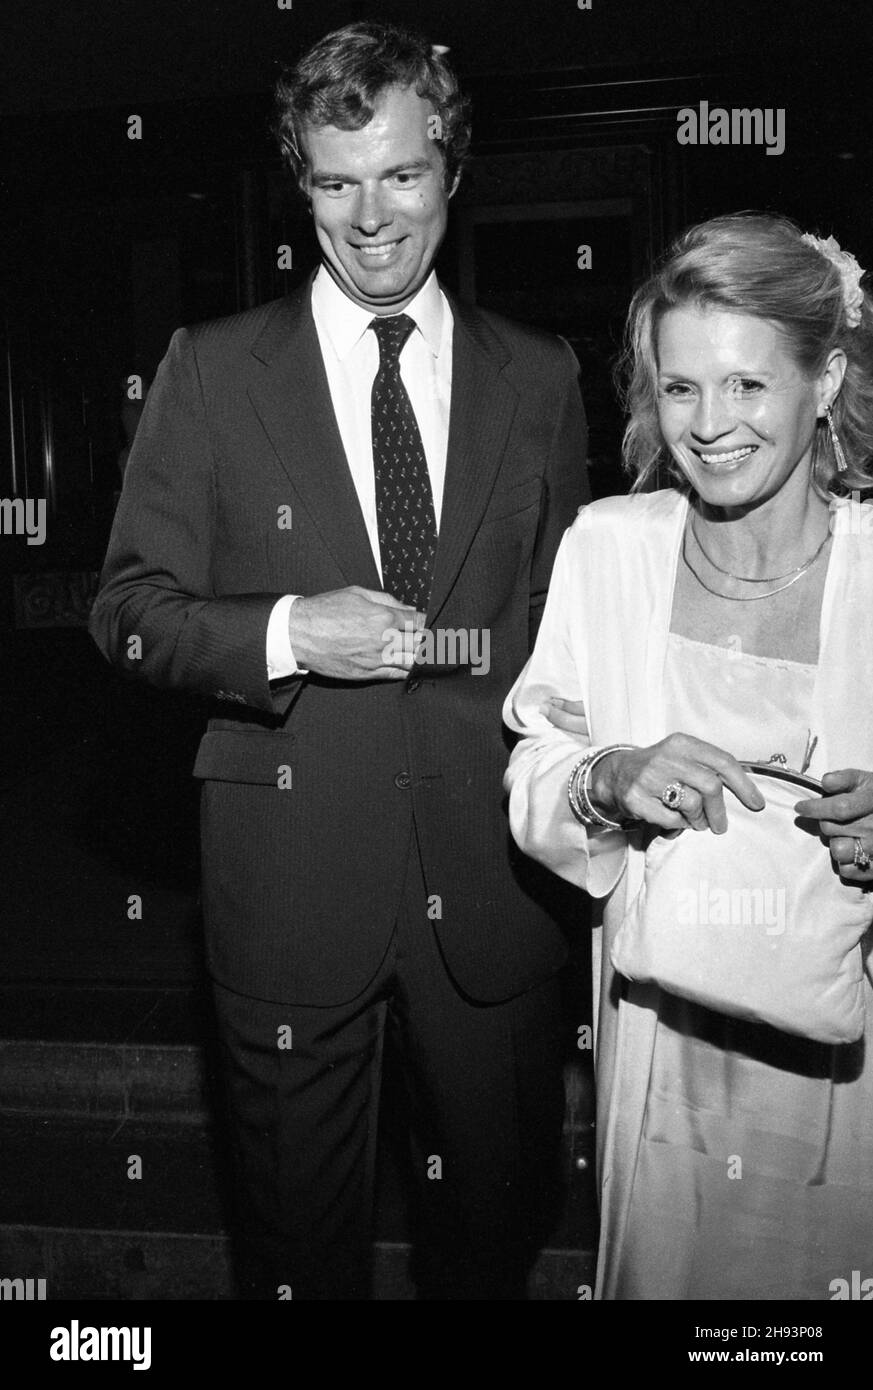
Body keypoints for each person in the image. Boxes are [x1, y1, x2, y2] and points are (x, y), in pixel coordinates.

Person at [88, 22, 590, 1300]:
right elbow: (129, 613)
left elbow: (572, 634)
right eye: (333, 180)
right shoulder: (209, 371)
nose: (371, 216)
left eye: (401, 174)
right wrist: (282, 632)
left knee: (494, 1230)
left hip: (499, 897)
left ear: (453, 172)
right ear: (300, 185)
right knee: (298, 1255)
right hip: (289, 887)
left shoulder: (539, 378)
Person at [504, 212, 873, 1299]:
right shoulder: (609, 549)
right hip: (659, 1041)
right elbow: (535, 763)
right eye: (681, 388)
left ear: (825, 378)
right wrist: (604, 777)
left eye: (749, 386)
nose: (711, 425)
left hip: (845, 1055)